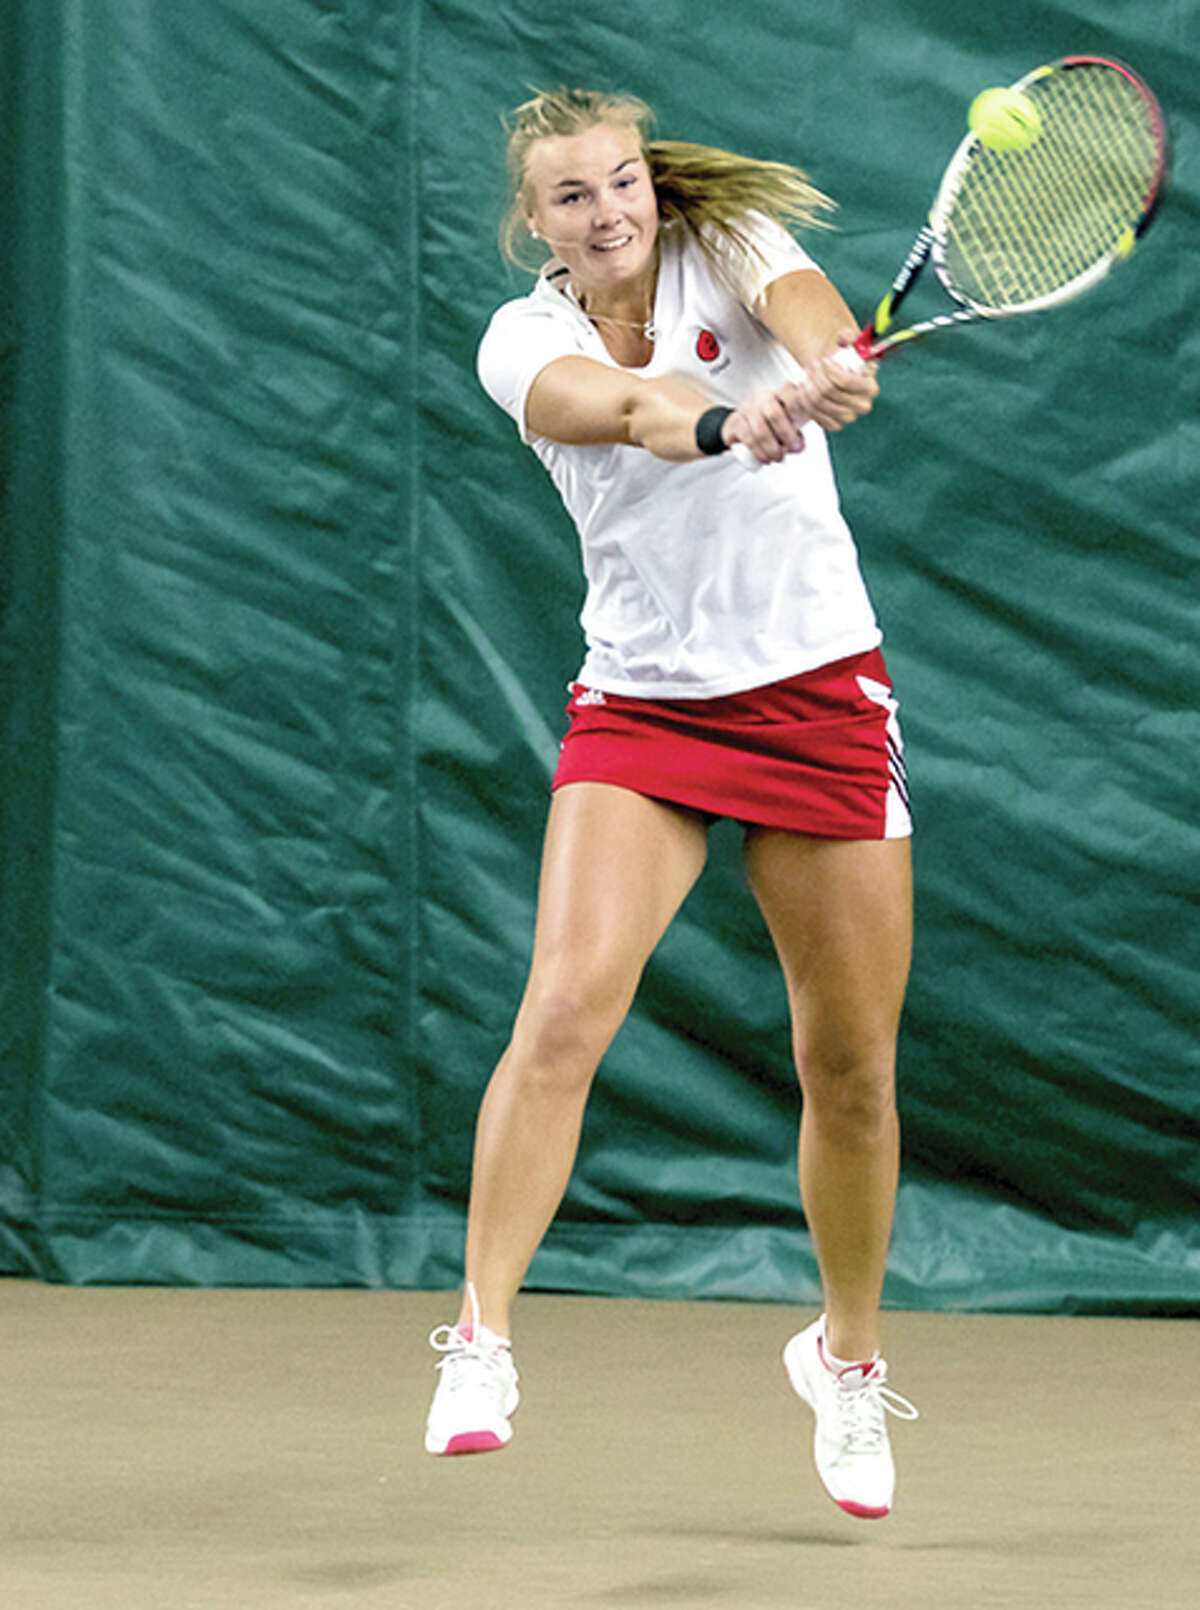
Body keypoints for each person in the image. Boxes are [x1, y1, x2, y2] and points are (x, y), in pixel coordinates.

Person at [423, 86, 918, 1519]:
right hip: (644, 705)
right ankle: (481, 1339)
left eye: (624, 181)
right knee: (565, 1006)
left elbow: (810, 311)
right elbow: (629, 409)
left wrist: (827, 364)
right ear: (536, 219)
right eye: (573, 195)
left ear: (652, 182)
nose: (610, 212)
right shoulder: (520, 341)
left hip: (818, 689)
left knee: (852, 1066)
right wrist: (720, 422)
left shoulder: (734, 243)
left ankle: (846, 1358)